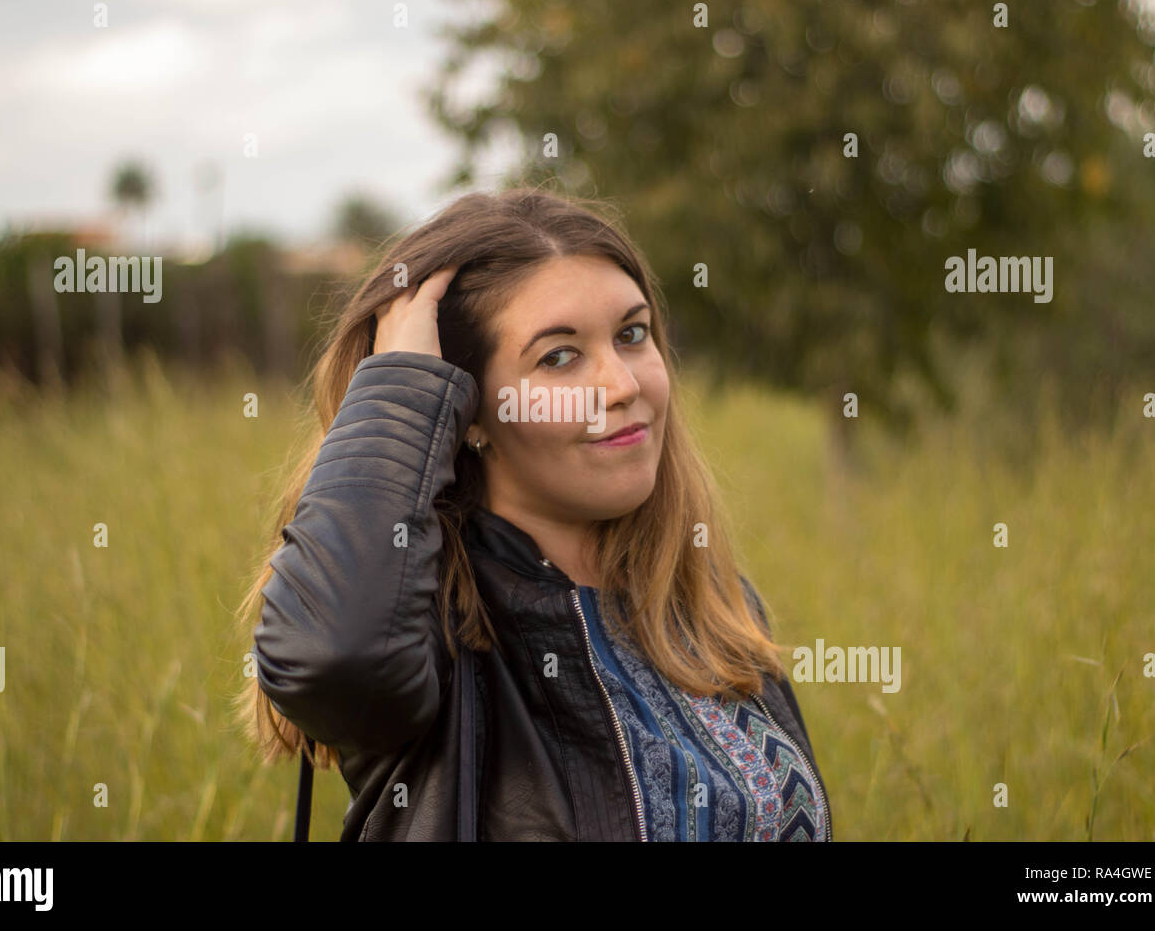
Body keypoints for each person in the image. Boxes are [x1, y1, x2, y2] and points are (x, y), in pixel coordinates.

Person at [237, 187, 831, 841]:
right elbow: (331, 660)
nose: (624, 385)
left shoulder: (714, 608)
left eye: (632, 335)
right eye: (559, 356)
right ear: (470, 415)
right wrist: (402, 389)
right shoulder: (427, 640)